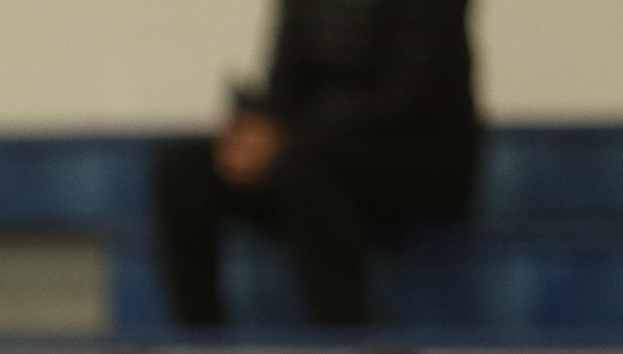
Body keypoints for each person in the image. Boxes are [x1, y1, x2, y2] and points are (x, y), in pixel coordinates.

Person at [153, 0, 480, 328]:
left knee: (302, 166)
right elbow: (284, 85)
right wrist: (259, 129)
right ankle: (202, 342)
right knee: (183, 168)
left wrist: (294, 136)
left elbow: (411, 96)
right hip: (312, 156)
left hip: (414, 165)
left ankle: (347, 337)